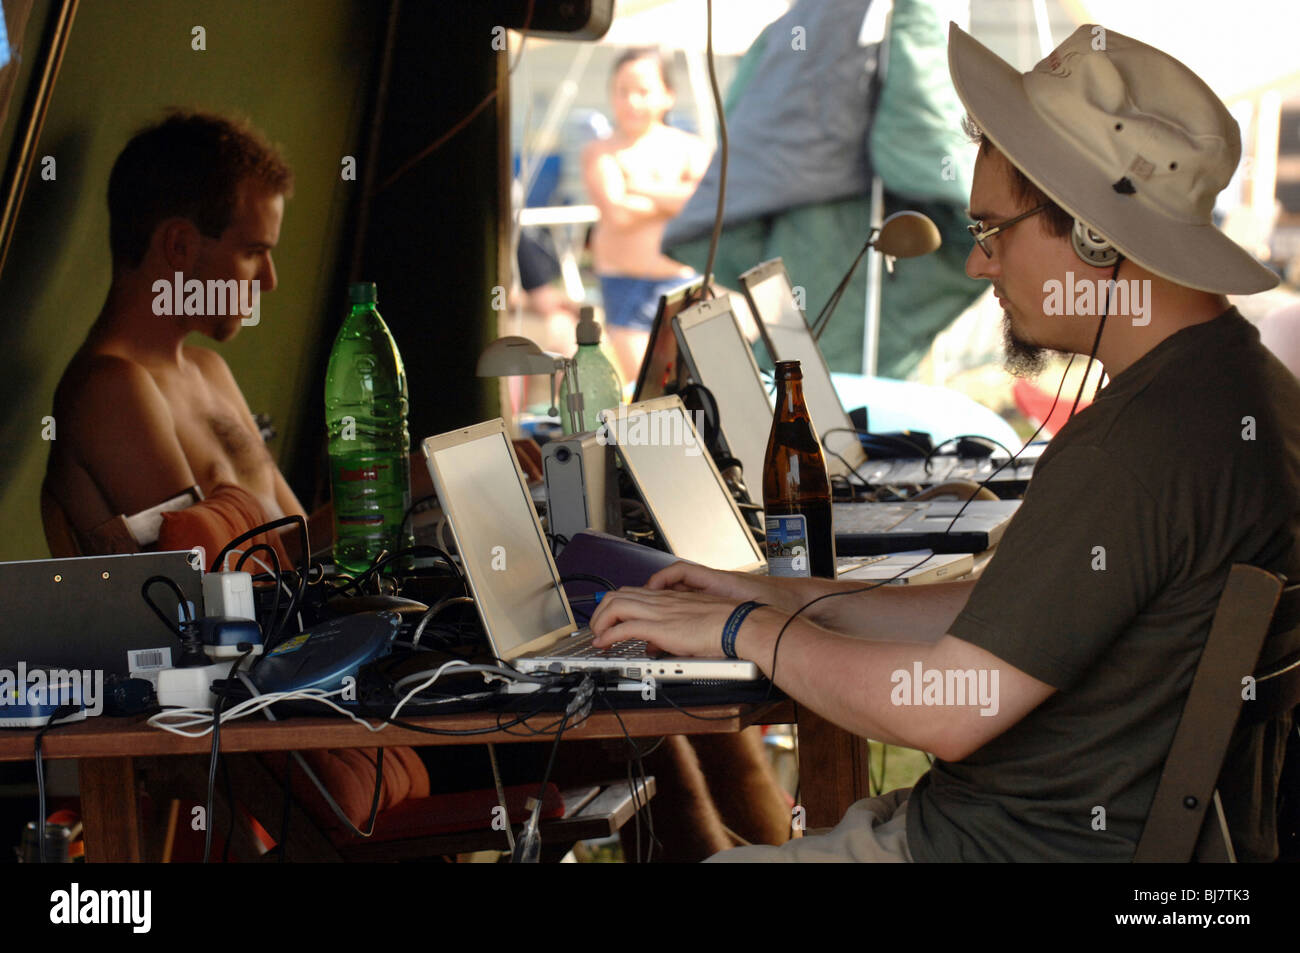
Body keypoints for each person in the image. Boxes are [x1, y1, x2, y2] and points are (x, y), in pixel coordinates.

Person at [589, 23, 1300, 862]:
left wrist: (745, 630)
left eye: (993, 231)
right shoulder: (1234, 393)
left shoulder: (1142, 449)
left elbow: (949, 705)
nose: (978, 265)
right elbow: (1003, 618)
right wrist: (782, 597)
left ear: (1094, 238)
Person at [43, 111, 312, 558]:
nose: (269, 280)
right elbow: (218, 581)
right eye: (253, 252)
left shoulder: (211, 371)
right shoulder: (110, 389)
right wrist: (390, 501)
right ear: (180, 246)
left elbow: (298, 550)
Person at [582, 48, 709, 382]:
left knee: (690, 383)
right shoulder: (600, 151)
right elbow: (617, 213)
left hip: (682, 282)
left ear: (668, 95)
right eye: (622, 91)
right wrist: (675, 197)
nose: (632, 102)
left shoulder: (690, 147)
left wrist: (640, 186)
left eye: (643, 91)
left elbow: (705, 204)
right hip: (626, 285)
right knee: (645, 386)